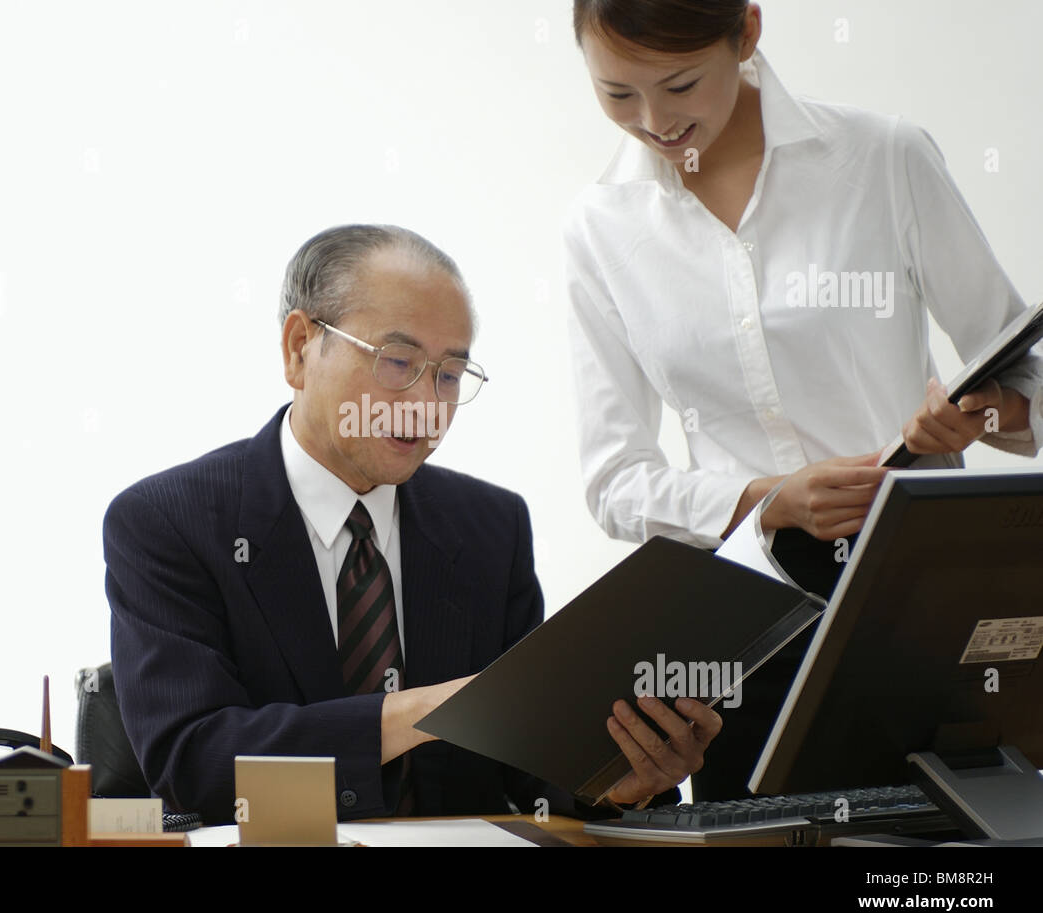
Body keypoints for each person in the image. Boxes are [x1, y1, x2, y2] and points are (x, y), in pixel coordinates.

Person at [562, 0, 1043, 798]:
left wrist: (982, 415)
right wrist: (770, 501)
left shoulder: (882, 158)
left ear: (746, 32)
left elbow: (1021, 373)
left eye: (680, 85)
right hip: (741, 618)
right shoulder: (600, 225)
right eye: (617, 95)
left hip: (916, 590)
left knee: (934, 862)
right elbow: (614, 481)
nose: (653, 121)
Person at [104, 224, 722, 825]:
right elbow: (195, 762)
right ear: (299, 348)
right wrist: (424, 711)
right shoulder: (169, 522)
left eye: (450, 376)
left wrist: (618, 780)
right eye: (398, 362)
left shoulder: (490, 527)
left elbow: (528, 771)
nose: (428, 406)